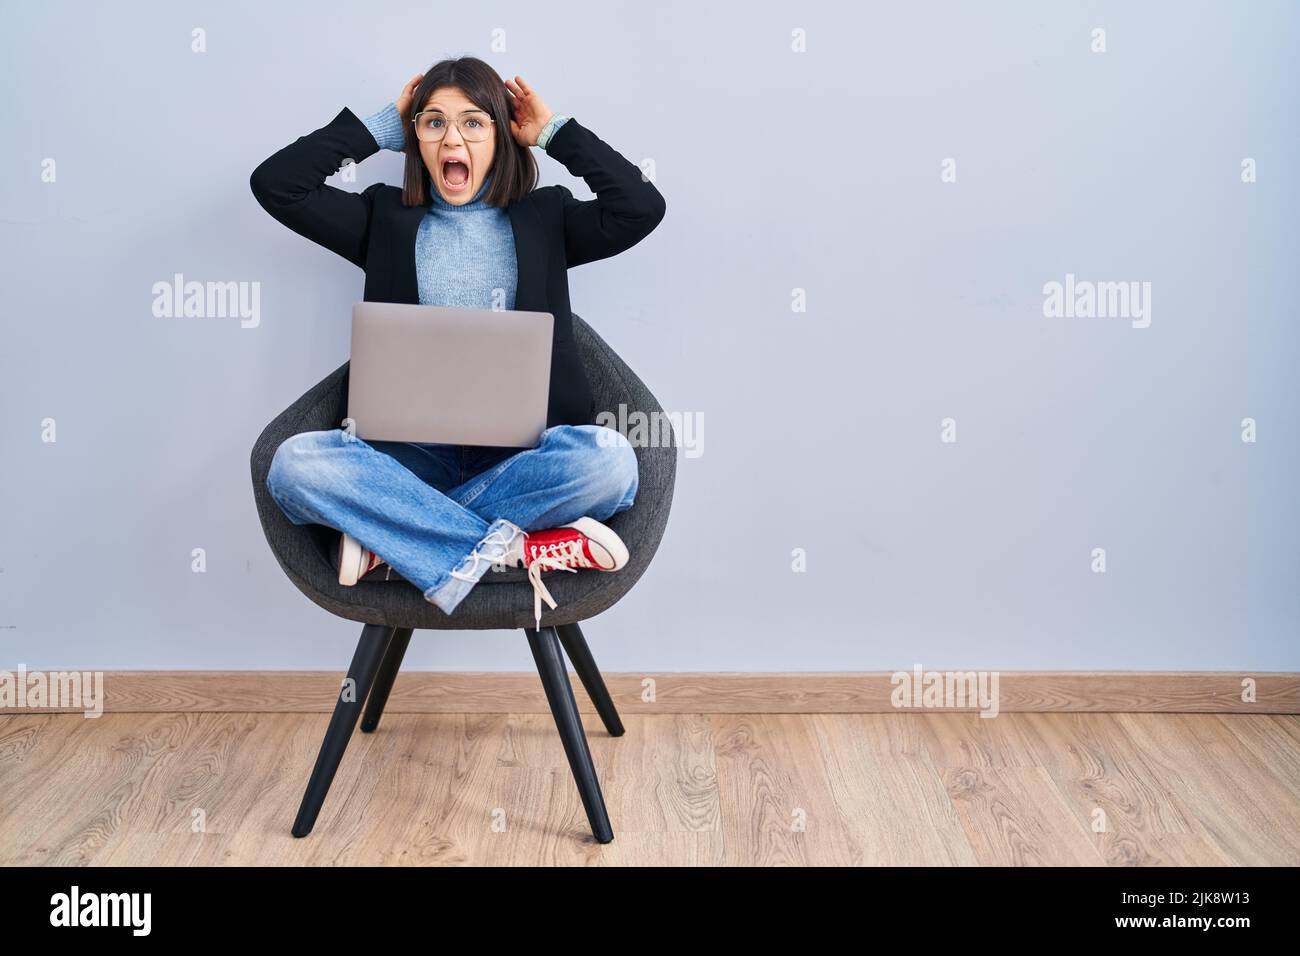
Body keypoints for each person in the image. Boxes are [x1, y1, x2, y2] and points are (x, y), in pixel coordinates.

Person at [250, 58, 666, 630]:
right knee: (293, 467)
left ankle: (393, 544)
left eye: (473, 123)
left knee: (611, 462)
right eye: (433, 123)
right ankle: (515, 549)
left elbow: (642, 207)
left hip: (525, 457)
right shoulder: (382, 217)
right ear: (414, 139)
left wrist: (554, 132)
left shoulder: (546, 218)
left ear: (501, 134)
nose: (453, 138)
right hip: (406, 464)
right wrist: (378, 127)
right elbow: (276, 184)